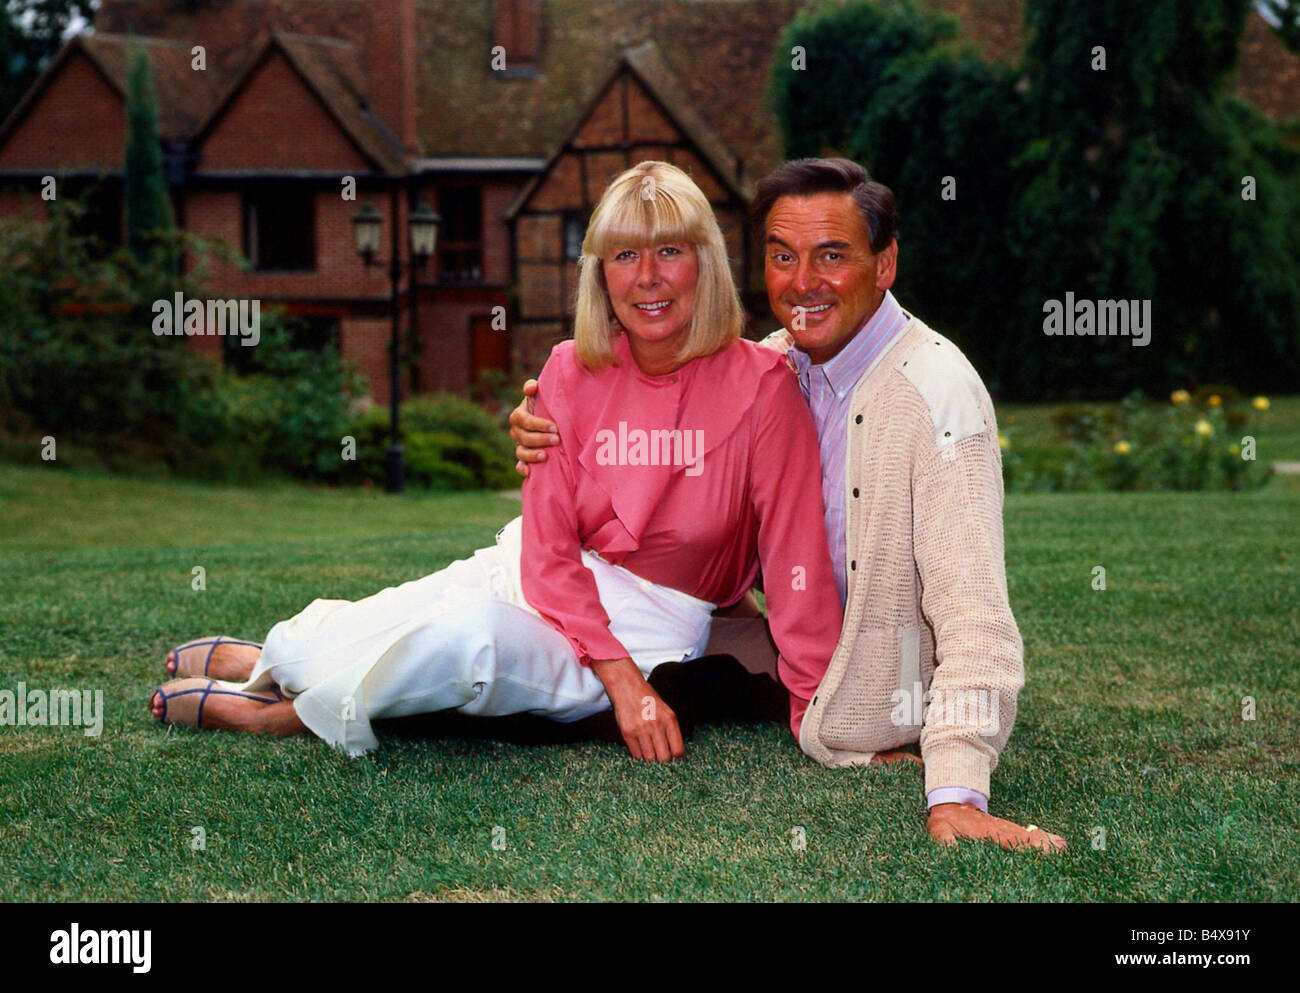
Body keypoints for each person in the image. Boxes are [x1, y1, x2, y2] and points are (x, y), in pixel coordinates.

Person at [148, 160, 842, 763]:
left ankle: (276, 711)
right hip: (535, 578)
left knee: (462, 641)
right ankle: (270, 659)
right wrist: (622, 685)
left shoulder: (764, 388)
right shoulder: (569, 371)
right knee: (371, 625)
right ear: (601, 273)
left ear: (705, 263)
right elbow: (546, 552)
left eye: (669, 250)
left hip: (654, 623)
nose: (648, 278)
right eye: (625, 255)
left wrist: (820, 718)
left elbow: (796, 566)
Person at [511, 158, 1067, 850]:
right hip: (773, 654)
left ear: (885, 263)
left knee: (545, 696)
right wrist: (549, 428)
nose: (803, 282)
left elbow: (976, 614)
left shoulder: (937, 398)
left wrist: (956, 787)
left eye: (831, 255)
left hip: (871, 694)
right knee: (539, 670)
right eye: (783, 256)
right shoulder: (779, 362)